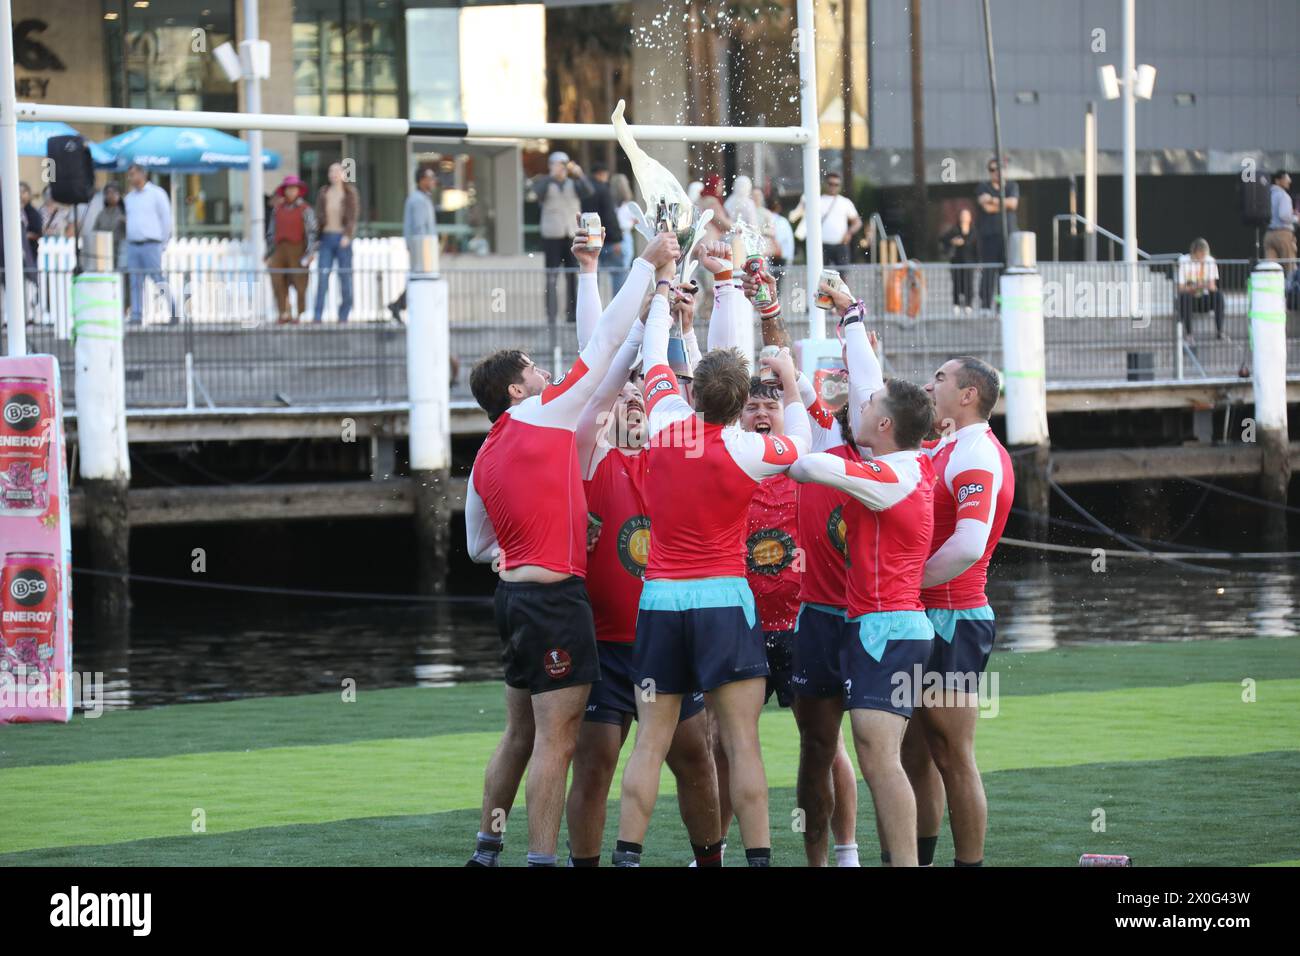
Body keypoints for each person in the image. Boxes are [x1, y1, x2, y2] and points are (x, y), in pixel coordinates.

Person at [463, 230, 680, 868]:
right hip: (555, 601)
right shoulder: (543, 415)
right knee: (557, 743)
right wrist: (646, 266)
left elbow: (481, 547)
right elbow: (603, 346)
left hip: (512, 600)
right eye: (532, 368)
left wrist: (526, 544)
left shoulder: (485, 452)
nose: (544, 372)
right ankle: (540, 861)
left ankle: (487, 849)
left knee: (519, 734)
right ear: (515, 391)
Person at [612, 241, 811, 867]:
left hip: (662, 598)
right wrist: (788, 377)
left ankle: (626, 856)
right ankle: (756, 860)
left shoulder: (668, 419)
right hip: (726, 600)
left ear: (697, 391)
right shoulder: (752, 448)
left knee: (650, 743)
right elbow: (801, 440)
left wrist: (665, 299)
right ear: (739, 402)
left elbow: (653, 358)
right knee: (744, 745)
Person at [562, 230, 722, 868]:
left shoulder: (677, 456)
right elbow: (593, 366)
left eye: (641, 394)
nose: (632, 398)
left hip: (670, 637)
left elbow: (702, 391)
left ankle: (707, 859)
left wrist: (682, 317)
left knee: (694, 758)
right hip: (604, 643)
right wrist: (611, 279)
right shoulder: (590, 454)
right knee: (595, 761)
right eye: (623, 394)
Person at [788, 279, 937, 867]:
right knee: (878, 760)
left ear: (882, 428)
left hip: (888, 632)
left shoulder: (887, 477)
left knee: (880, 763)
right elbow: (873, 388)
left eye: (867, 408)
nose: (859, 405)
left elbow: (801, 468)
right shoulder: (902, 456)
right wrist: (849, 316)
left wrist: (804, 428)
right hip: (878, 628)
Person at [899, 356, 1013, 869]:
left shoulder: (977, 455)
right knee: (914, 755)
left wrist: (903, 581)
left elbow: (968, 545)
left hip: (954, 616)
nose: (929, 383)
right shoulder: (949, 445)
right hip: (926, 613)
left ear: (968, 394)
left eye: (940, 378)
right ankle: (920, 861)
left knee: (952, 755)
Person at [528, 151, 592, 325]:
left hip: (571, 233)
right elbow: (536, 195)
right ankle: (551, 315)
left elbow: (589, 191)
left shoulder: (574, 184)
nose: (561, 168)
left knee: (572, 275)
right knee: (551, 276)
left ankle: (572, 314)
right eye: (558, 164)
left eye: (563, 165)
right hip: (552, 235)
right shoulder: (545, 183)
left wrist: (580, 174)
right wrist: (551, 176)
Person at [123, 164, 174, 325]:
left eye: (133, 174)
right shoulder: (129, 198)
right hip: (133, 245)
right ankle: (136, 315)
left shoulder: (157, 194)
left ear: (142, 174)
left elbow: (166, 220)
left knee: (158, 279)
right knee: (135, 282)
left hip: (151, 244)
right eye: (129, 175)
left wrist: (163, 242)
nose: (130, 178)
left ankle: (174, 312)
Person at [388, 165, 439, 323]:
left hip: (423, 247)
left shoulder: (422, 198)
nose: (433, 181)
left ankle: (398, 305)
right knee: (420, 279)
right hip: (422, 248)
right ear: (421, 180)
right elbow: (419, 227)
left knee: (418, 279)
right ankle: (398, 306)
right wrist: (425, 250)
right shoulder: (417, 200)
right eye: (430, 178)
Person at [265, 174, 318, 325]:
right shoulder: (277, 209)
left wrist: (310, 252)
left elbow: (312, 231)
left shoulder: (305, 209)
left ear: (298, 190)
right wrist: (269, 253)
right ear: (284, 190)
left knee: (300, 282)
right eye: (288, 189)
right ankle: (284, 313)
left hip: (298, 248)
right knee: (277, 280)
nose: (291, 192)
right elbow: (271, 232)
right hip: (279, 249)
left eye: (294, 189)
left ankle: (299, 314)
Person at [313, 162, 360, 323]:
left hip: (342, 240)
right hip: (326, 239)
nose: (334, 174)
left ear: (343, 174)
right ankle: (317, 316)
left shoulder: (349, 193)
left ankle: (343, 316)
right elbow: (318, 215)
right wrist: (317, 239)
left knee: (345, 279)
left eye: (337, 171)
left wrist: (347, 234)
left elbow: (353, 216)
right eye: (331, 171)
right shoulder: (323, 192)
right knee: (322, 278)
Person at [975, 158, 1019, 313]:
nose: (996, 173)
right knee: (989, 272)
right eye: (992, 170)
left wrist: (994, 200)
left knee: (1005, 273)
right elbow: (986, 208)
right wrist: (1004, 205)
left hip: (1008, 237)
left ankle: (1002, 306)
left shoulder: (1012, 186)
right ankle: (985, 305)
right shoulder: (983, 186)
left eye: (999, 169)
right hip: (989, 237)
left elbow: (1013, 204)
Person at [791, 172, 862, 267]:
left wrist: (849, 233)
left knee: (843, 275)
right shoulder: (816, 200)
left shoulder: (845, 202)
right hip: (821, 245)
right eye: (830, 184)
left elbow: (857, 222)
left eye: (836, 185)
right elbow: (795, 217)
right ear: (825, 184)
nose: (833, 187)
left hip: (840, 245)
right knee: (820, 275)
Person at [581, 162, 625, 296]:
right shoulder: (604, 190)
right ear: (601, 174)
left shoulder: (585, 190)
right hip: (608, 239)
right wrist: (617, 239)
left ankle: (594, 304)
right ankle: (617, 307)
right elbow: (609, 216)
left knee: (592, 275)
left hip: (590, 238)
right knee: (618, 273)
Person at [1175, 238, 1225, 342]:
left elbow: (1212, 287)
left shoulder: (1210, 261)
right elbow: (1180, 288)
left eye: (1204, 255)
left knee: (1218, 296)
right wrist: (1196, 286)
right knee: (1184, 297)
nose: (1202, 257)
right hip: (1190, 299)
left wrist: (1199, 285)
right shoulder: (1184, 261)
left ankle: (1220, 332)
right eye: (1200, 254)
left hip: (1204, 299)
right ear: (1194, 252)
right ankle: (1189, 334)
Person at [940, 207, 977, 315]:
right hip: (956, 261)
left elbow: (976, 246)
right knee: (957, 283)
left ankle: (968, 305)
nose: (964, 218)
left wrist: (978, 261)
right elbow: (943, 238)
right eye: (963, 215)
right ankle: (956, 304)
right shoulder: (954, 229)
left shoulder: (974, 230)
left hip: (969, 262)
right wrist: (953, 241)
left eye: (966, 215)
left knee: (968, 283)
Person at [1263, 171, 1296, 274]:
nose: (1289, 181)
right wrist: (1296, 218)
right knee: (1289, 265)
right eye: (1286, 178)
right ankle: (1291, 289)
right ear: (1278, 181)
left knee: (1271, 267)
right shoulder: (1283, 196)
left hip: (1269, 234)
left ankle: (1272, 288)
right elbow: (1284, 215)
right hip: (1283, 234)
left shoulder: (1266, 195)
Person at [91, 184, 127, 272]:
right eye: (107, 193)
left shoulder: (124, 212)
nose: (110, 195)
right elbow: (94, 231)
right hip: (104, 251)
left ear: (119, 195)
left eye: (113, 192)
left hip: (120, 251)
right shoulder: (102, 214)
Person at [611, 173, 637, 294]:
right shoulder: (628, 206)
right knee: (622, 272)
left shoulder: (613, 206)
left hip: (616, 237)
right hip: (623, 236)